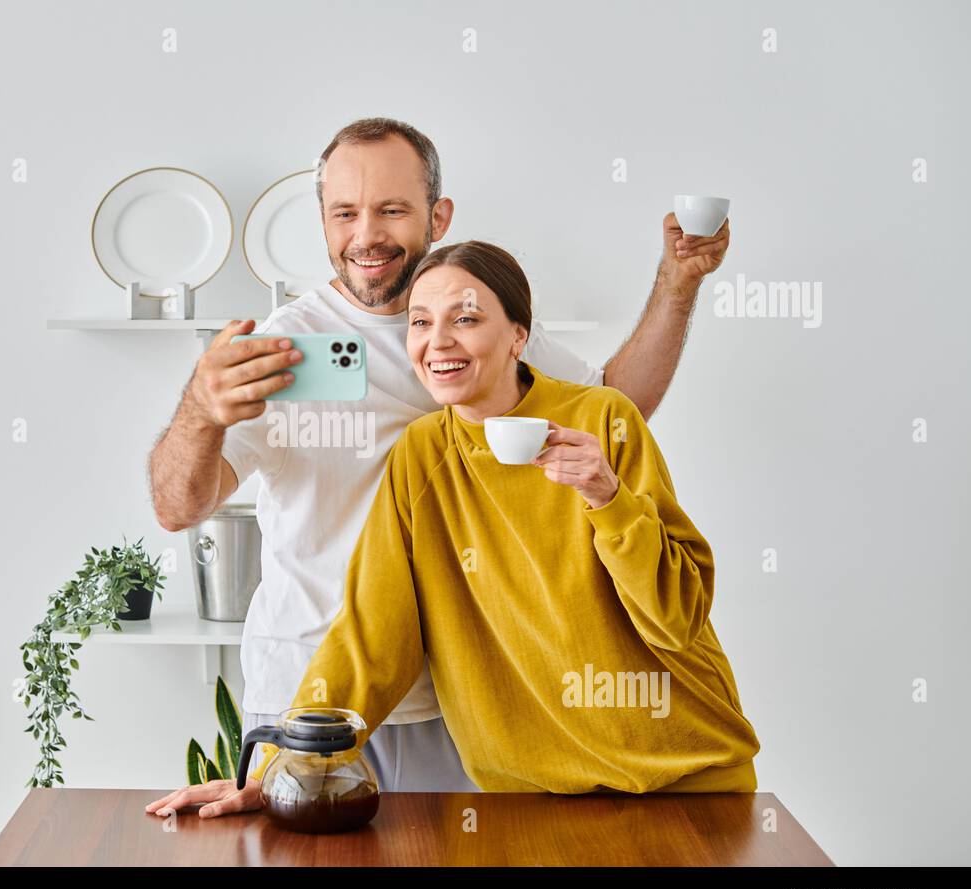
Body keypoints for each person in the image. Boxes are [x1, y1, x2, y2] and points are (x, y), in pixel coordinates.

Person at [145, 118, 731, 820]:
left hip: (462, 691)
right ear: (323, 222)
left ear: (437, 215)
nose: (368, 234)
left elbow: (610, 408)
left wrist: (677, 285)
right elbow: (178, 507)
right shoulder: (282, 349)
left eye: (392, 209)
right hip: (313, 687)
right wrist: (201, 412)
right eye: (345, 213)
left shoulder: (484, 318)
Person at [241, 240, 759, 805]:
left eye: (465, 318)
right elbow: (373, 636)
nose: (438, 341)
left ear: (519, 336)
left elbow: (676, 617)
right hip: (527, 799)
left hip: (686, 777)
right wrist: (277, 770)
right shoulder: (422, 455)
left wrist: (607, 498)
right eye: (420, 322)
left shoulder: (603, 418)